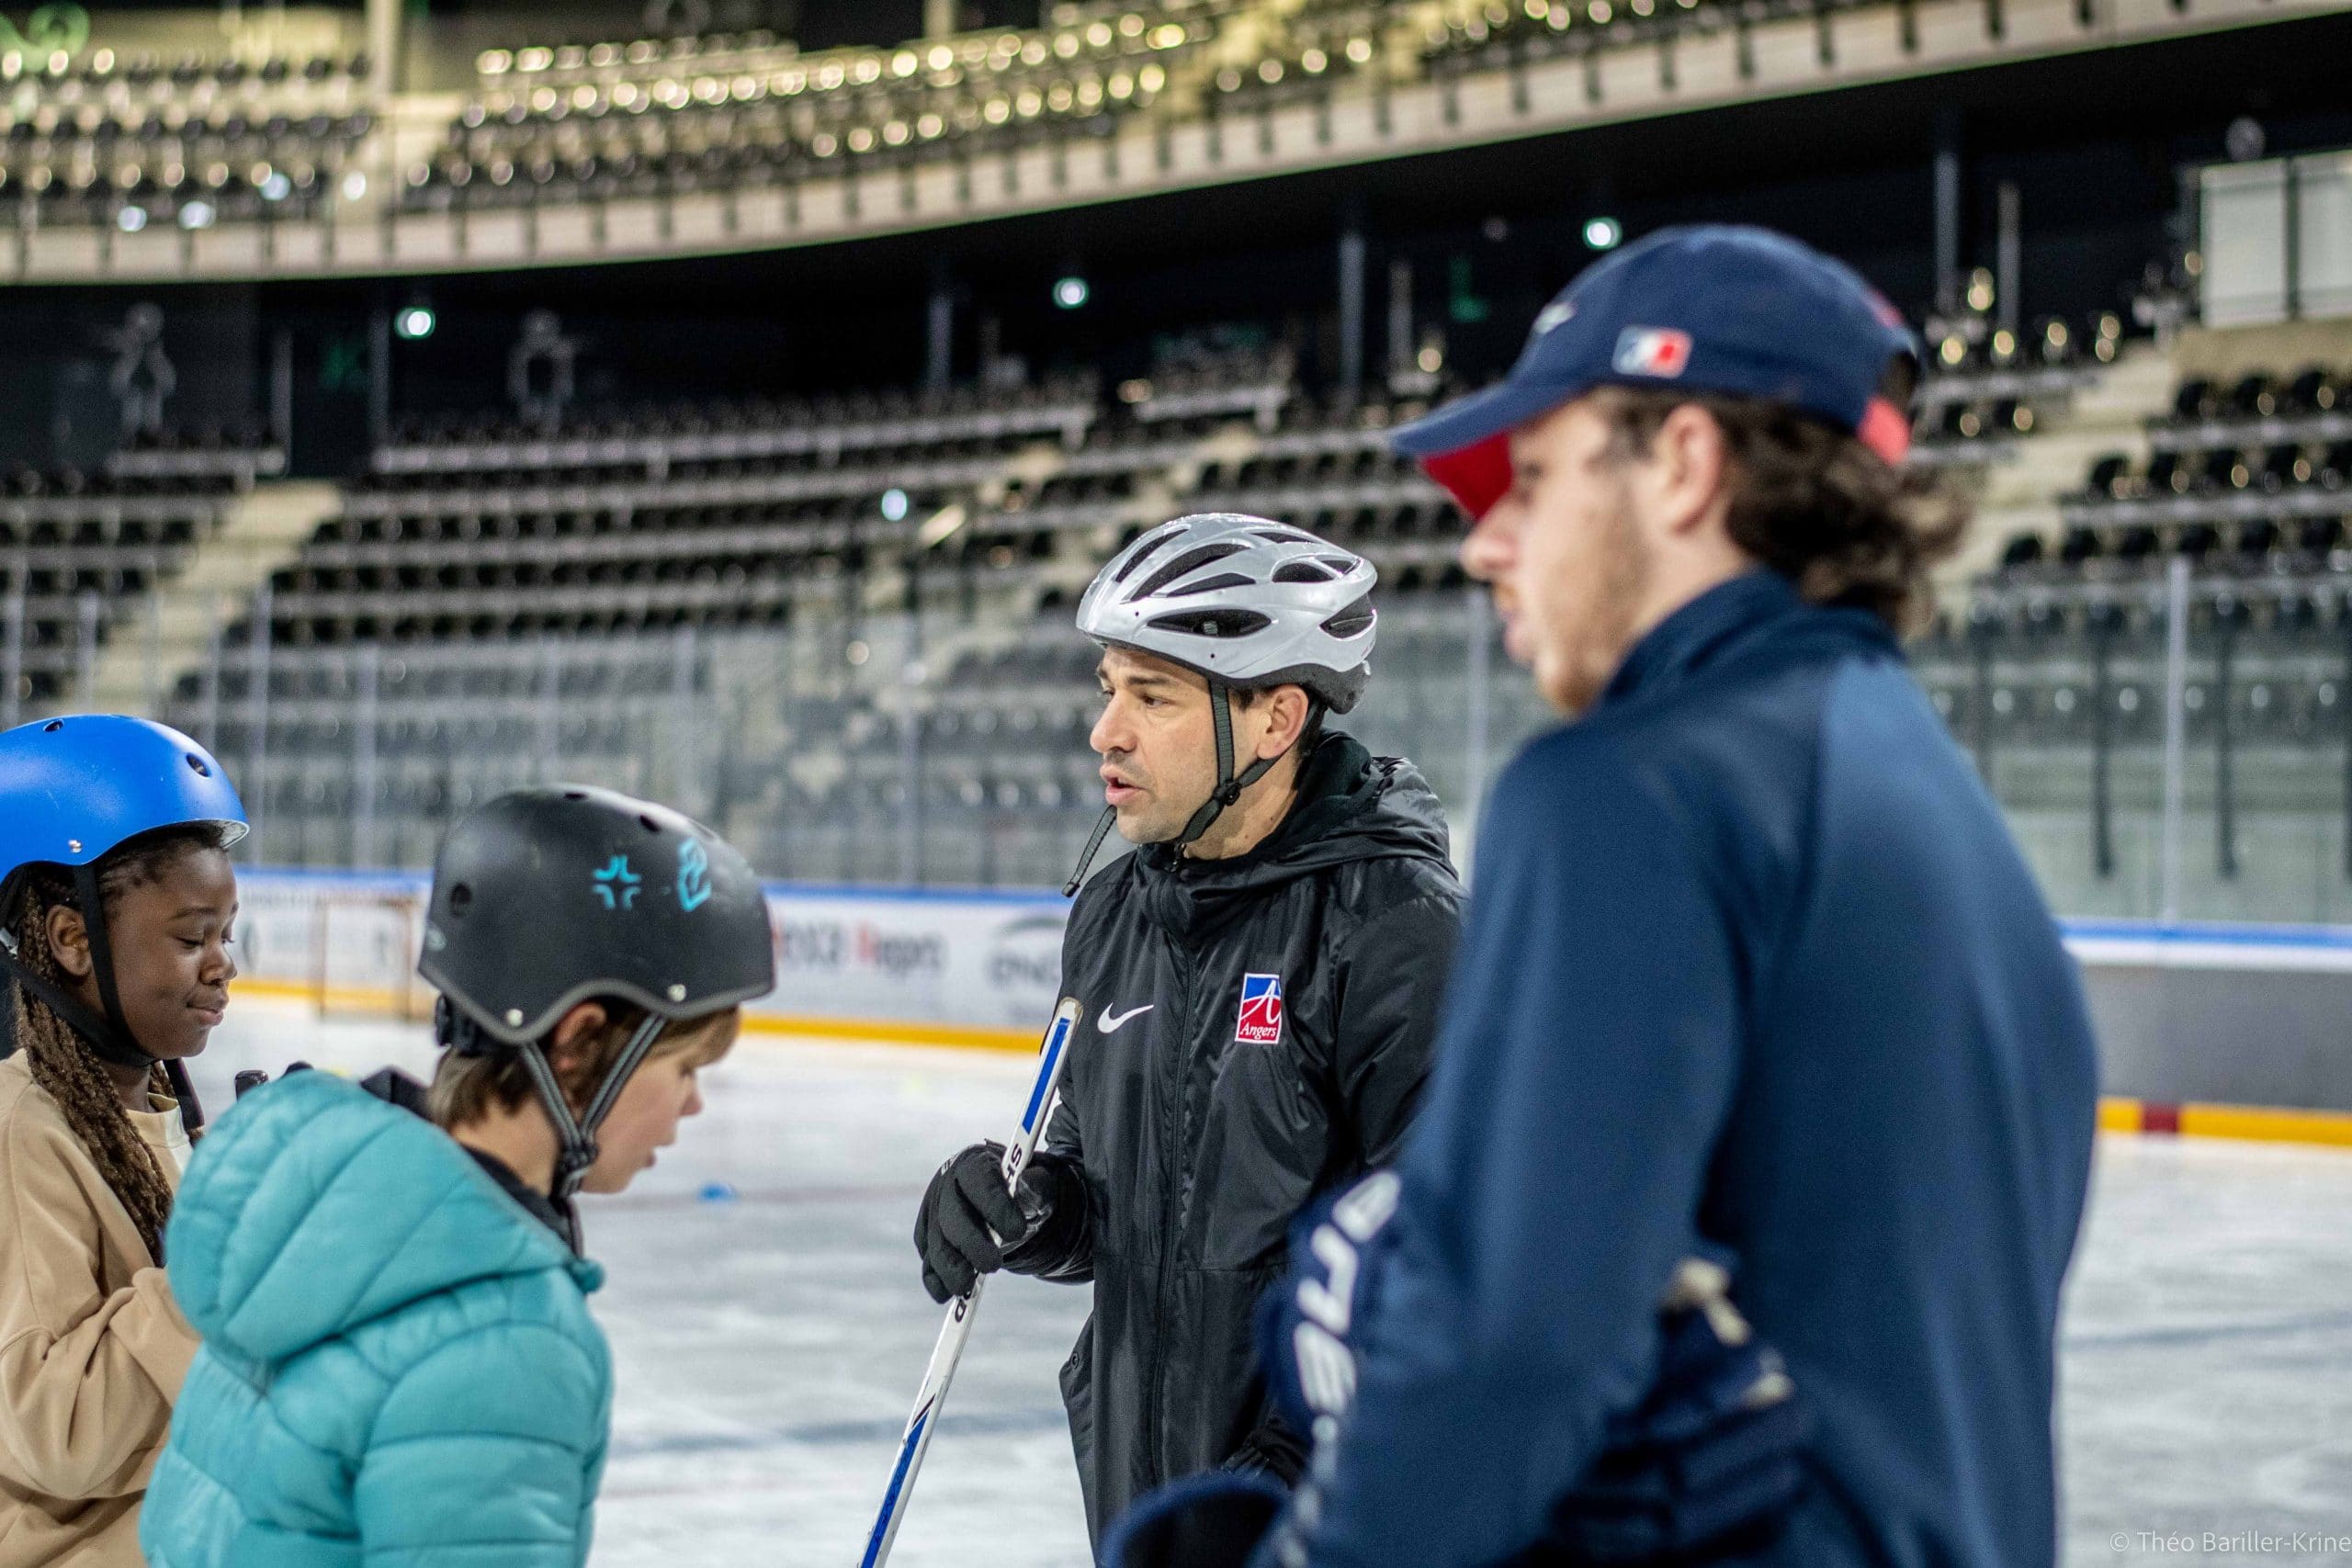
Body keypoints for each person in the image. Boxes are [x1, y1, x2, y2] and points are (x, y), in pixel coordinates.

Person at [1230, 224, 2100, 1568]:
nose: (1486, 543)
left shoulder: (1630, 788)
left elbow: (1502, 1345)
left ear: (1684, 463)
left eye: (1532, 476)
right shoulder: (1941, 802)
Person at [911, 513, 1465, 1545]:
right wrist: (1023, 1207)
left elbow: (1444, 1265)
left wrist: (1282, 1479)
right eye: (1107, 688)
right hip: (1145, 1498)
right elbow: (1103, 1201)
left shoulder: (1393, 925)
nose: (1105, 732)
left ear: (1275, 718)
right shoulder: (1116, 913)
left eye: (1151, 697)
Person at [140, 784, 776, 1567]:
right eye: (682, 1067)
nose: (695, 1102)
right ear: (577, 1044)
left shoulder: (323, 1206)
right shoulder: (506, 1335)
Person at [0, 714, 246, 1568]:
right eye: (191, 938)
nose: (223, 963)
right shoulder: (25, 1133)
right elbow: (56, 1434)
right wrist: (223, 1249)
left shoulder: (158, 1107)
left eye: (226, 932)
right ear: (72, 941)